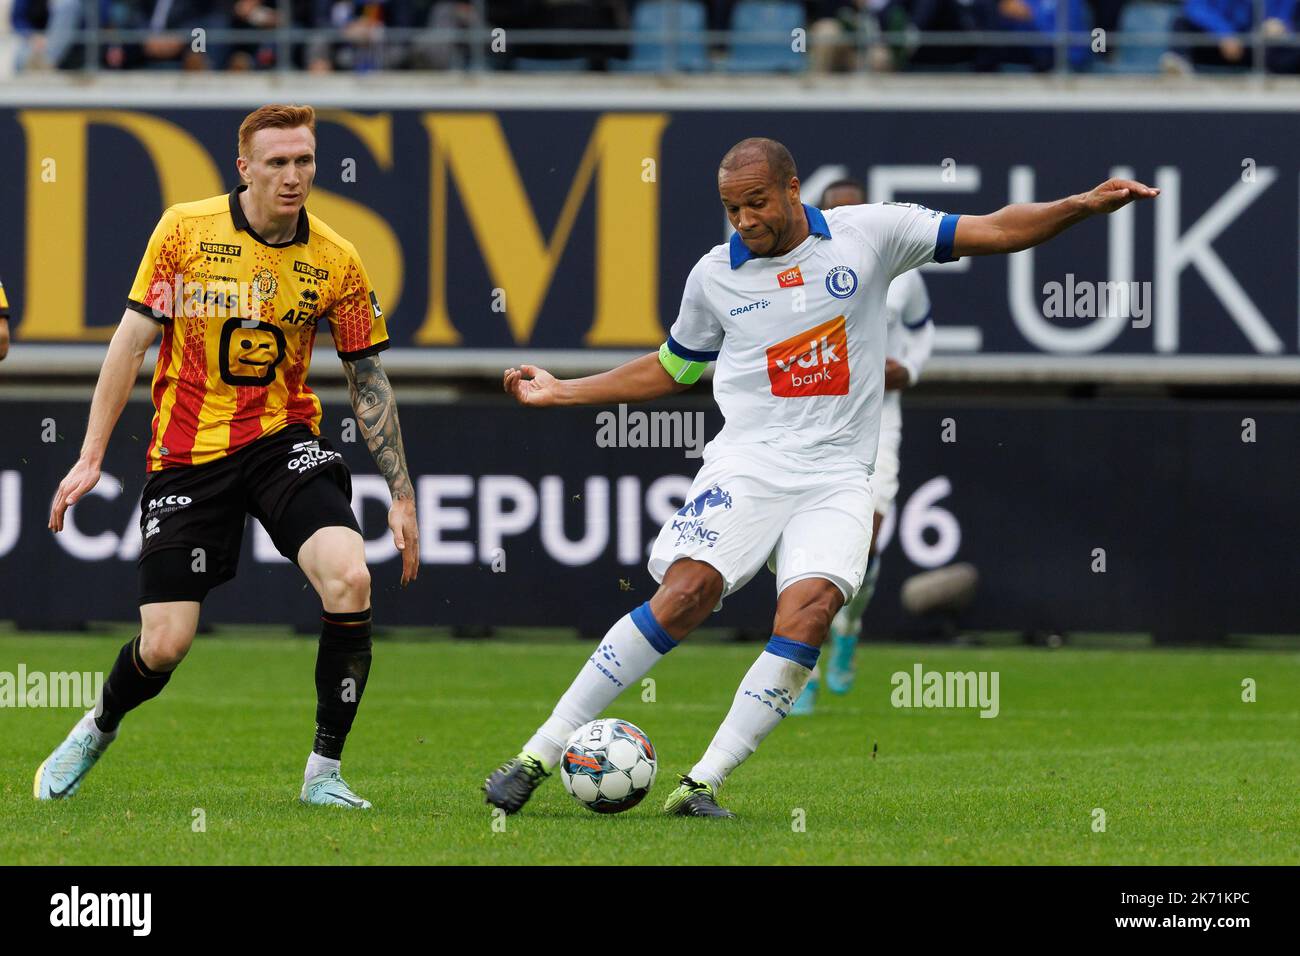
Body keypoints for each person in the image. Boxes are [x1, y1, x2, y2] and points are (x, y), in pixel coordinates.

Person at [486, 136, 1156, 818]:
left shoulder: (871, 234)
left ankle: (701, 785)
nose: (745, 219)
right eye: (731, 208)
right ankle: (537, 753)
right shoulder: (713, 276)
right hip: (748, 462)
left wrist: (1077, 206)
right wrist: (564, 391)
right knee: (688, 592)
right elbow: (674, 367)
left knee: (808, 614)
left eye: (756, 203)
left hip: (837, 475)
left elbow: (996, 228)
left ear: (792, 188)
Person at [35, 104, 419, 810]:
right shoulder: (185, 231)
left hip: (283, 443)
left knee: (350, 578)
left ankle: (324, 774)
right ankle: (99, 724)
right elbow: (129, 344)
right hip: (188, 456)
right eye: (277, 162)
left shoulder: (336, 257)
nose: (294, 175)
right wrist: (90, 457)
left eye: (304, 160)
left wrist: (400, 492)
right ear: (243, 168)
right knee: (165, 645)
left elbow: (367, 378)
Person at [791, 176, 934, 715]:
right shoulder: (797, 276)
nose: (850, 224)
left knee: (863, 542)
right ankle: (797, 668)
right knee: (801, 547)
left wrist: (912, 368)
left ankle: (846, 630)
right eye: (837, 215)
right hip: (811, 424)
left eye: (860, 212)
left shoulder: (900, 277)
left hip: (878, 424)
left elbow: (921, 330)